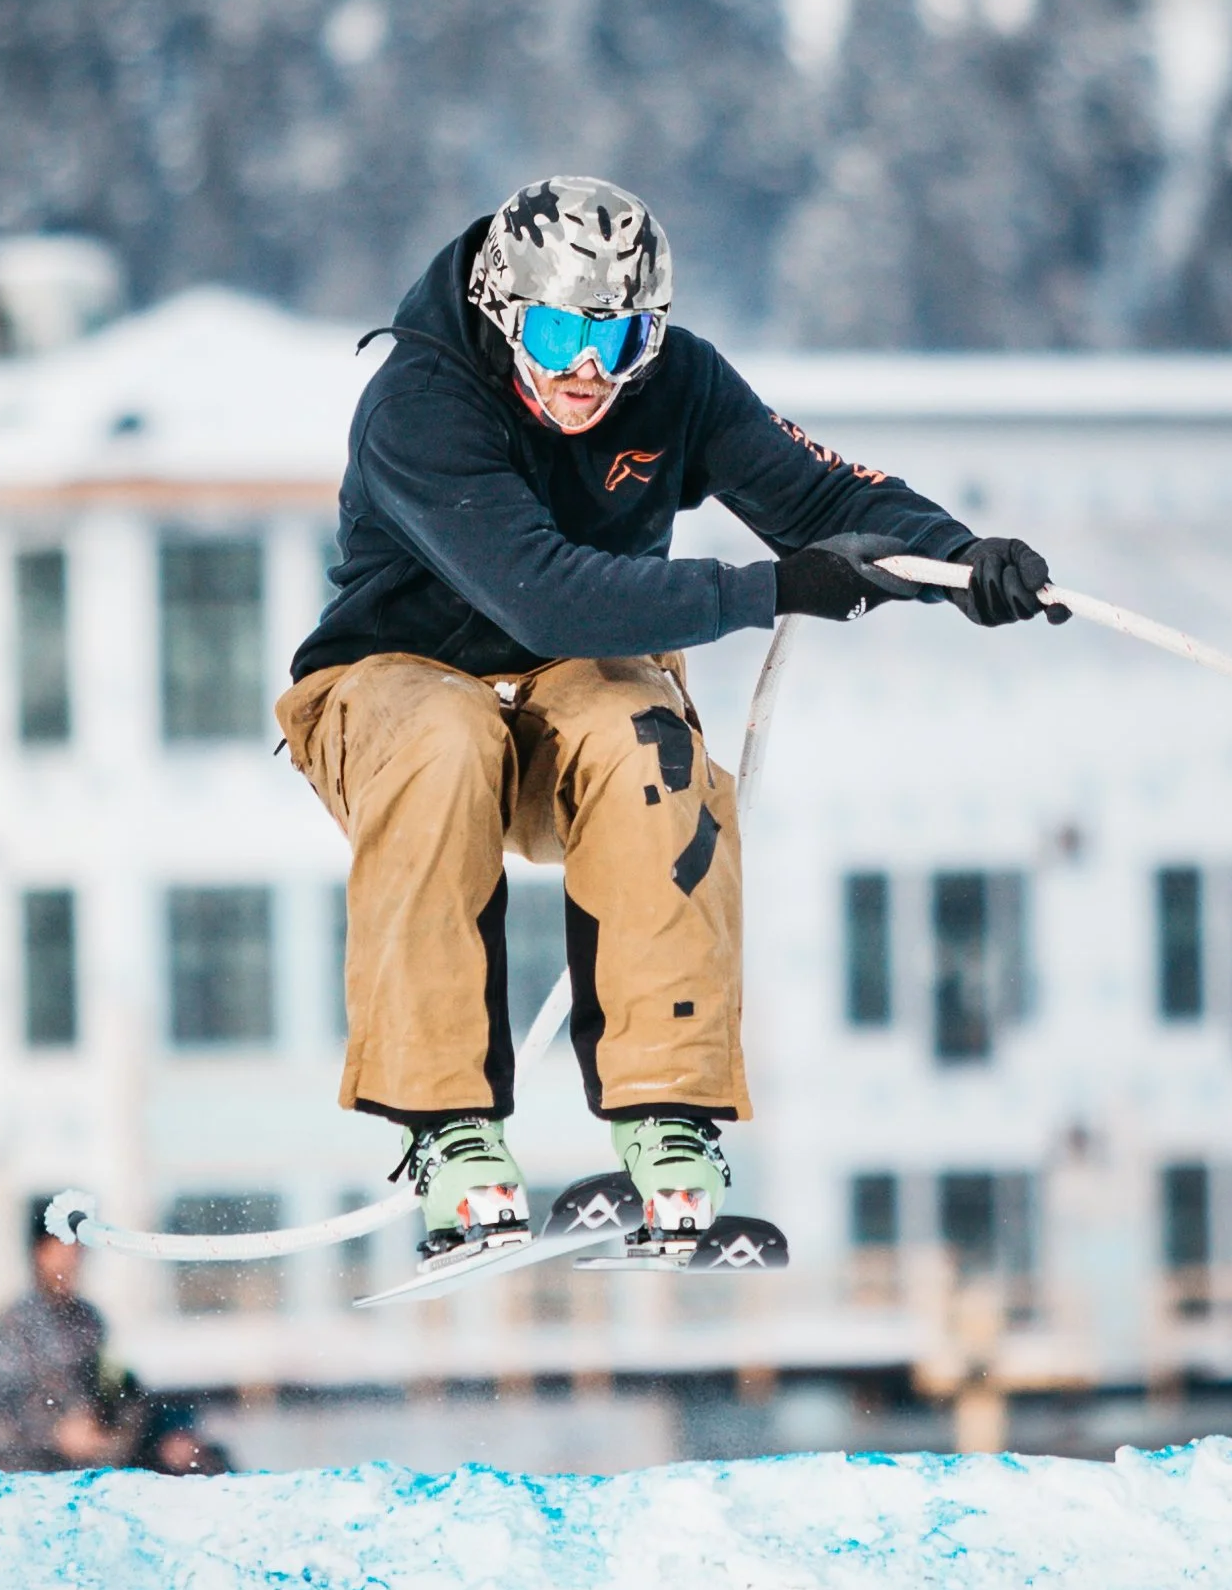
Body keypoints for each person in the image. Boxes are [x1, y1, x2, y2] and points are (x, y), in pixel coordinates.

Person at [276, 175, 1067, 1266]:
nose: (587, 371)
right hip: (391, 688)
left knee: (648, 740)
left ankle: (665, 1119)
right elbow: (545, 591)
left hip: (573, 698)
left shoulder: (674, 382)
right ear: (507, 309)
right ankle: (449, 1127)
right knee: (445, 737)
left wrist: (955, 557)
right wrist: (766, 590)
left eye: (619, 335)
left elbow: (825, 498)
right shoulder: (421, 402)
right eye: (558, 334)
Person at [0, 1198, 226, 1473]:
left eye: (79, 1246)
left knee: (205, 1461)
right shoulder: (12, 1326)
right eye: (65, 1245)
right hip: (33, 1479)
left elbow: (121, 1390)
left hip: (96, 1471)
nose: (75, 1255)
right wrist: (55, 1433)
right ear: (40, 1252)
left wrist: (169, 1431)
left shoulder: (89, 1321)